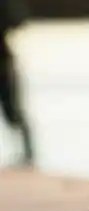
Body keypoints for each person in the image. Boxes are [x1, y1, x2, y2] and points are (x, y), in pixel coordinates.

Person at [1, 0, 34, 166]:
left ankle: (28, 155)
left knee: (13, 111)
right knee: (13, 111)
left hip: (2, 63)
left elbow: (18, 19)